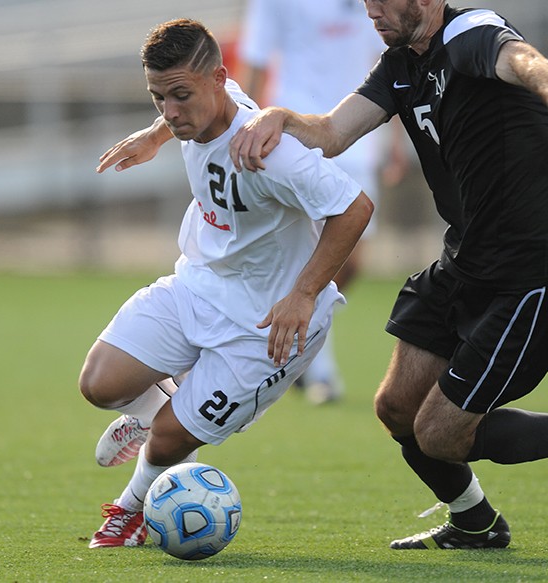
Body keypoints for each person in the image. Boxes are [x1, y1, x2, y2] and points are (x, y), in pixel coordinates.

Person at [227, 0, 548, 549]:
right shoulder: (400, 64)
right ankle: (475, 522)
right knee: (396, 408)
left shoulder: (470, 33)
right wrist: (279, 117)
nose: (369, 10)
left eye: (381, 0)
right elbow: (329, 132)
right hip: (464, 262)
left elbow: (522, 58)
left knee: (441, 433)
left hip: (532, 276)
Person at [81, 18, 373, 548]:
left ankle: (131, 511)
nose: (170, 111)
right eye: (157, 98)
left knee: (170, 440)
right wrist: (153, 137)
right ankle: (156, 417)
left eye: (180, 96)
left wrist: (303, 294)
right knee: (100, 383)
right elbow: (179, 111)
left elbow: (355, 209)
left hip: (266, 326)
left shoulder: (270, 151)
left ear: (218, 79)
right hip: (199, 284)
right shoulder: (203, 103)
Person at [237, 0, 407, 404]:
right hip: (299, 134)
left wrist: (396, 139)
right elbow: (256, 63)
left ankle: (306, 348)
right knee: (311, 257)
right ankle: (318, 370)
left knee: (352, 262)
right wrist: (243, 133)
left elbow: (391, 62)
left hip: (360, 135)